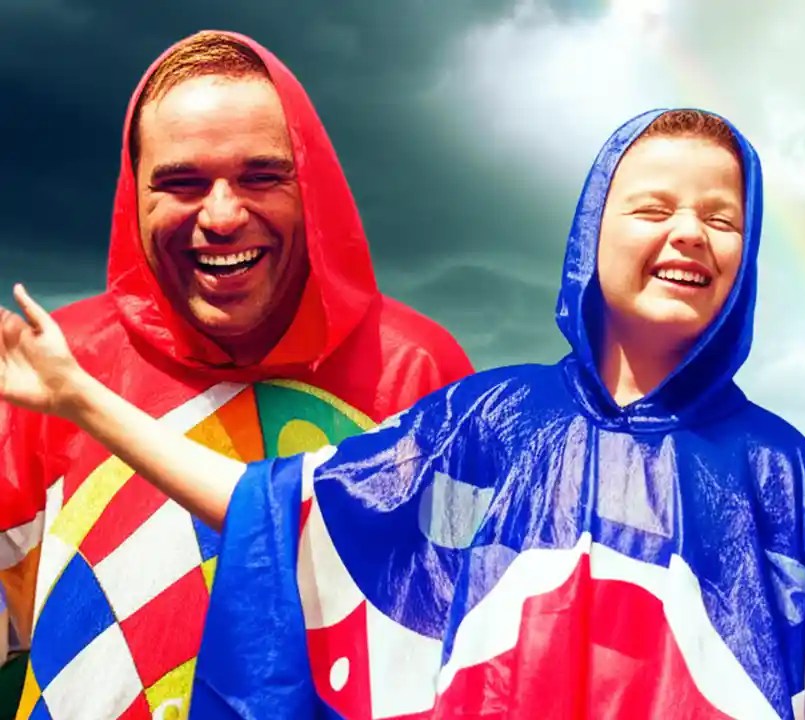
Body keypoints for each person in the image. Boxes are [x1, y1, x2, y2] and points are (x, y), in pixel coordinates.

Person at [0, 107, 805, 719]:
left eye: (723, 217)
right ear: (592, 229)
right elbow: (277, 515)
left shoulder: (777, 468)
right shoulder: (492, 422)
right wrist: (80, 399)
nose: (689, 233)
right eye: (652, 208)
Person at [0, 31, 473, 720]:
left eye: (261, 176)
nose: (222, 216)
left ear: (310, 184)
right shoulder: (52, 366)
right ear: (134, 193)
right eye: (182, 182)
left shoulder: (419, 369)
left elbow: (468, 628)